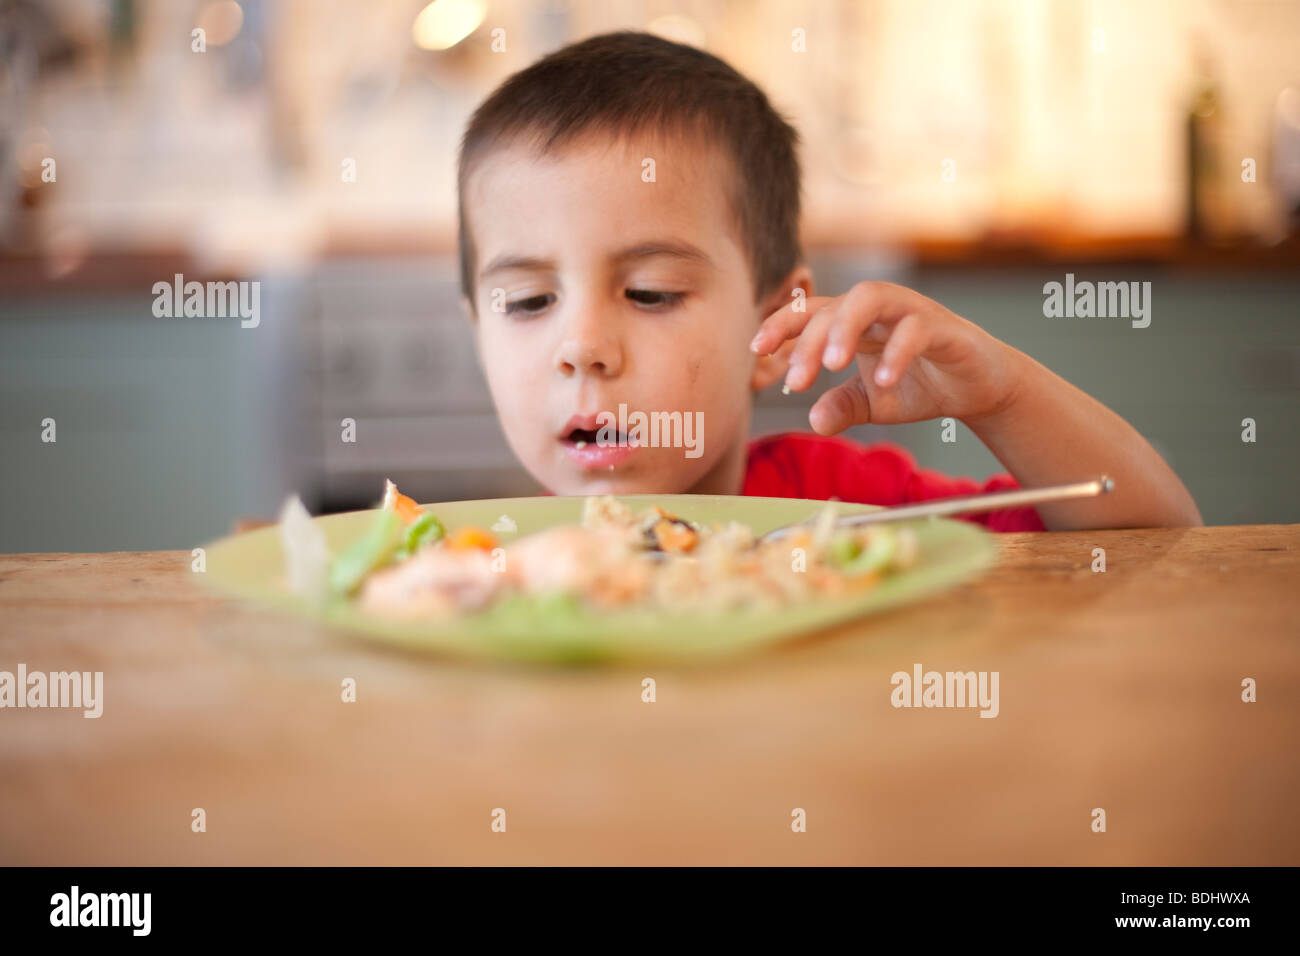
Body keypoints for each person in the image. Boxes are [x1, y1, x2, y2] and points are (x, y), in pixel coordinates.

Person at [454, 32, 1201, 531]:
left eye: (650, 292)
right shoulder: (485, 568)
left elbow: (1152, 533)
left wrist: (1004, 393)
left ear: (775, 326)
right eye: (527, 302)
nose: (582, 347)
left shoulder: (850, 511)